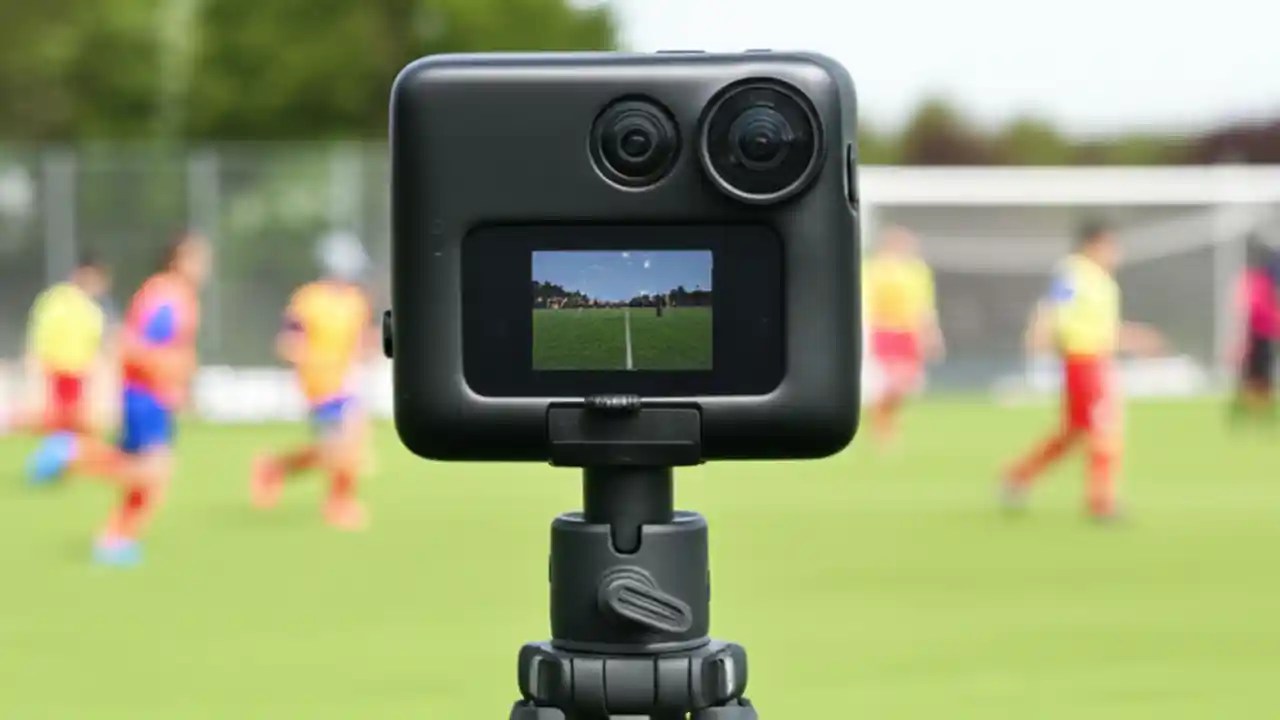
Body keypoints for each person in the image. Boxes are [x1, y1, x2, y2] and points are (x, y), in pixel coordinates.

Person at [26, 232, 211, 566]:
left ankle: (115, 538)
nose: (205, 266)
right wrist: (170, 374)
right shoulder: (167, 296)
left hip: (153, 395)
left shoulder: (172, 293)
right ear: (178, 259)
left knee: (147, 474)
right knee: (153, 472)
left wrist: (181, 382)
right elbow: (137, 345)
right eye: (198, 258)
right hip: (147, 397)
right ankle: (74, 452)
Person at [1001, 220, 1165, 522]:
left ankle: (1018, 475)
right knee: (1106, 427)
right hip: (1084, 361)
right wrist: (1040, 334)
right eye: (1111, 246)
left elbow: (1100, 327)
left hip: (1094, 359)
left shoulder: (1100, 280)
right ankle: (1102, 501)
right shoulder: (1074, 272)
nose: (1116, 253)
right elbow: (1053, 307)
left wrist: (1135, 338)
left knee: (1075, 429)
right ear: (1094, 245)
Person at [250, 234, 375, 531]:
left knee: (346, 444)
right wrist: (304, 356)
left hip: (344, 384)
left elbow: (359, 342)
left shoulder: (357, 302)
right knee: (336, 448)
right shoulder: (308, 299)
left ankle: (328, 496)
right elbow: (288, 340)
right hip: (317, 385)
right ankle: (290, 474)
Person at [6, 255, 112, 444]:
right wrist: (35, 358)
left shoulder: (92, 308)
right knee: (53, 418)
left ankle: (65, 454)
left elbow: (95, 342)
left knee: (74, 421)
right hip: (56, 369)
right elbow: (40, 331)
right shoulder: (57, 299)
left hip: (78, 372)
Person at [861, 225, 945, 449]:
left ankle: (885, 419)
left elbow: (924, 306)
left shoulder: (917, 271)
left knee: (906, 384)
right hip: (884, 331)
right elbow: (866, 303)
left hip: (909, 333)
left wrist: (931, 334)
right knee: (888, 382)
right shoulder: (874, 269)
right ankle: (882, 428)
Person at [1229, 236, 1279, 424]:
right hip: (1256, 334)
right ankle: (1251, 411)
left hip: (1263, 333)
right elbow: (1252, 309)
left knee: (1261, 373)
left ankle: (1257, 412)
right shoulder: (1255, 280)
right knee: (1254, 373)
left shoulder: (1261, 281)